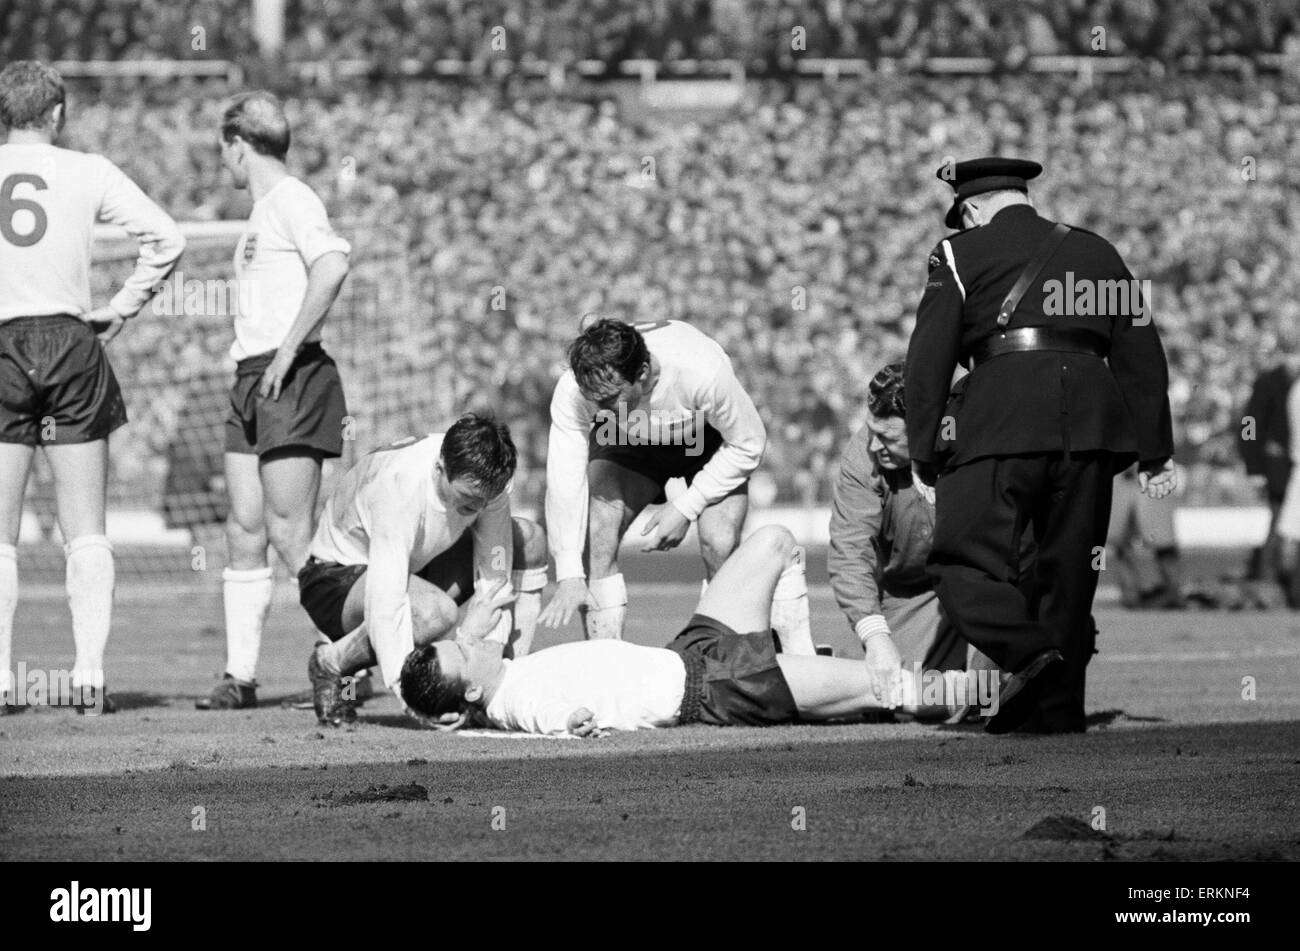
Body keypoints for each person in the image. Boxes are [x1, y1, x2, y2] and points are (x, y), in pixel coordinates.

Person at [905, 157, 1176, 734]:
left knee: (960, 564)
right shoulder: (1097, 252)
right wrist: (1155, 451)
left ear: (971, 208)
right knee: (1068, 577)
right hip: (1090, 425)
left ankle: (1026, 654)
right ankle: (1054, 713)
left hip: (999, 417)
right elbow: (1141, 355)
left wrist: (924, 447)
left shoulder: (958, 253)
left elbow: (928, 360)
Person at [0, 61, 184, 715]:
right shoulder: (89, 170)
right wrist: (124, 306)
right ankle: (89, 677)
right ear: (55, 114)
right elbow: (167, 237)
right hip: (71, 341)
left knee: (0, 533)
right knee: (86, 529)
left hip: (3, 344)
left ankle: (0, 682)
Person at [399, 525, 963, 735]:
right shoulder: (514, 701)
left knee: (773, 542)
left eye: (458, 640)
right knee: (892, 686)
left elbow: (478, 642)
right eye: (461, 653)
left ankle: (797, 660)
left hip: (693, 648)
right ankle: (1007, 690)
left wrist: (467, 631)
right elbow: (542, 714)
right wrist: (572, 721)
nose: (468, 641)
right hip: (718, 687)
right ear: (470, 691)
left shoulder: (499, 674)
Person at [198, 91, 352, 710]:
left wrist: (288, 350)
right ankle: (240, 675)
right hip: (251, 379)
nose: (224, 164)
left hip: (289, 377)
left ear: (238, 145)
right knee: (244, 527)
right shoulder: (264, 211)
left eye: (223, 153)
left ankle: (349, 658)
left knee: (292, 533)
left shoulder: (291, 198)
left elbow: (334, 264)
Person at [538, 318, 809, 654]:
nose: (599, 408)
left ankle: (729, 665)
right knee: (598, 531)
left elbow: (749, 443)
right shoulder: (579, 390)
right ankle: (603, 663)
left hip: (703, 438)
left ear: (642, 373)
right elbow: (565, 476)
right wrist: (568, 572)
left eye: (608, 398)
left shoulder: (702, 371)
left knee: (719, 541)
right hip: (630, 435)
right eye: (594, 399)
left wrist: (685, 506)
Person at [299, 414, 548, 725]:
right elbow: (386, 600)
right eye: (469, 500)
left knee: (529, 539)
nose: (479, 509)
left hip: (416, 567)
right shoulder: (398, 484)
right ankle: (332, 661)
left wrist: (492, 681)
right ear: (440, 468)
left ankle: (513, 675)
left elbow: (494, 580)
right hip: (334, 578)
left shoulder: (487, 481)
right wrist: (409, 695)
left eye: (488, 500)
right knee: (434, 613)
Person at [828, 363, 997, 718]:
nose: (875, 445)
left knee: (996, 693)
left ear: (927, 427)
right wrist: (875, 637)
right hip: (909, 593)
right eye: (872, 430)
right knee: (898, 694)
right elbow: (850, 551)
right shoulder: (863, 456)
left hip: (981, 583)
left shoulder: (976, 442)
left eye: (889, 438)